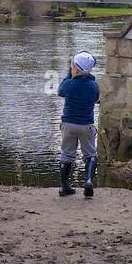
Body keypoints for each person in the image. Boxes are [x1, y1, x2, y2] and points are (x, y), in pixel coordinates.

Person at [57, 51, 100, 198]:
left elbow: (60, 91)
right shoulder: (93, 85)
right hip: (86, 125)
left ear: (75, 68)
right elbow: (96, 98)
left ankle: (64, 187)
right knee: (90, 154)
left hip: (68, 124)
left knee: (67, 154)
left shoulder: (69, 84)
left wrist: (69, 75)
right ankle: (88, 180)